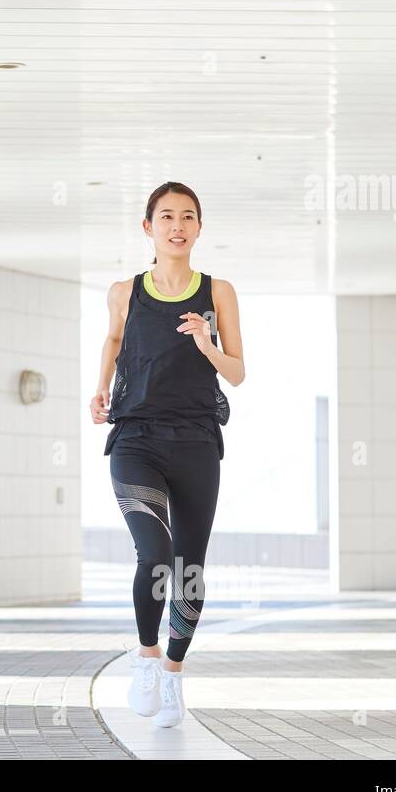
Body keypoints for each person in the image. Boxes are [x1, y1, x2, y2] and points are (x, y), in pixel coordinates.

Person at [89, 181, 245, 728]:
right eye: (166, 216)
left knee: (190, 565)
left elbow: (238, 372)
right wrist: (101, 387)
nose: (177, 225)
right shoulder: (124, 290)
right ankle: (147, 658)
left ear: (199, 228)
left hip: (198, 442)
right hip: (136, 438)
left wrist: (208, 344)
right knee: (154, 550)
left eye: (188, 217)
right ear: (148, 227)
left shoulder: (218, 291)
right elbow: (113, 340)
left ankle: (175, 673)